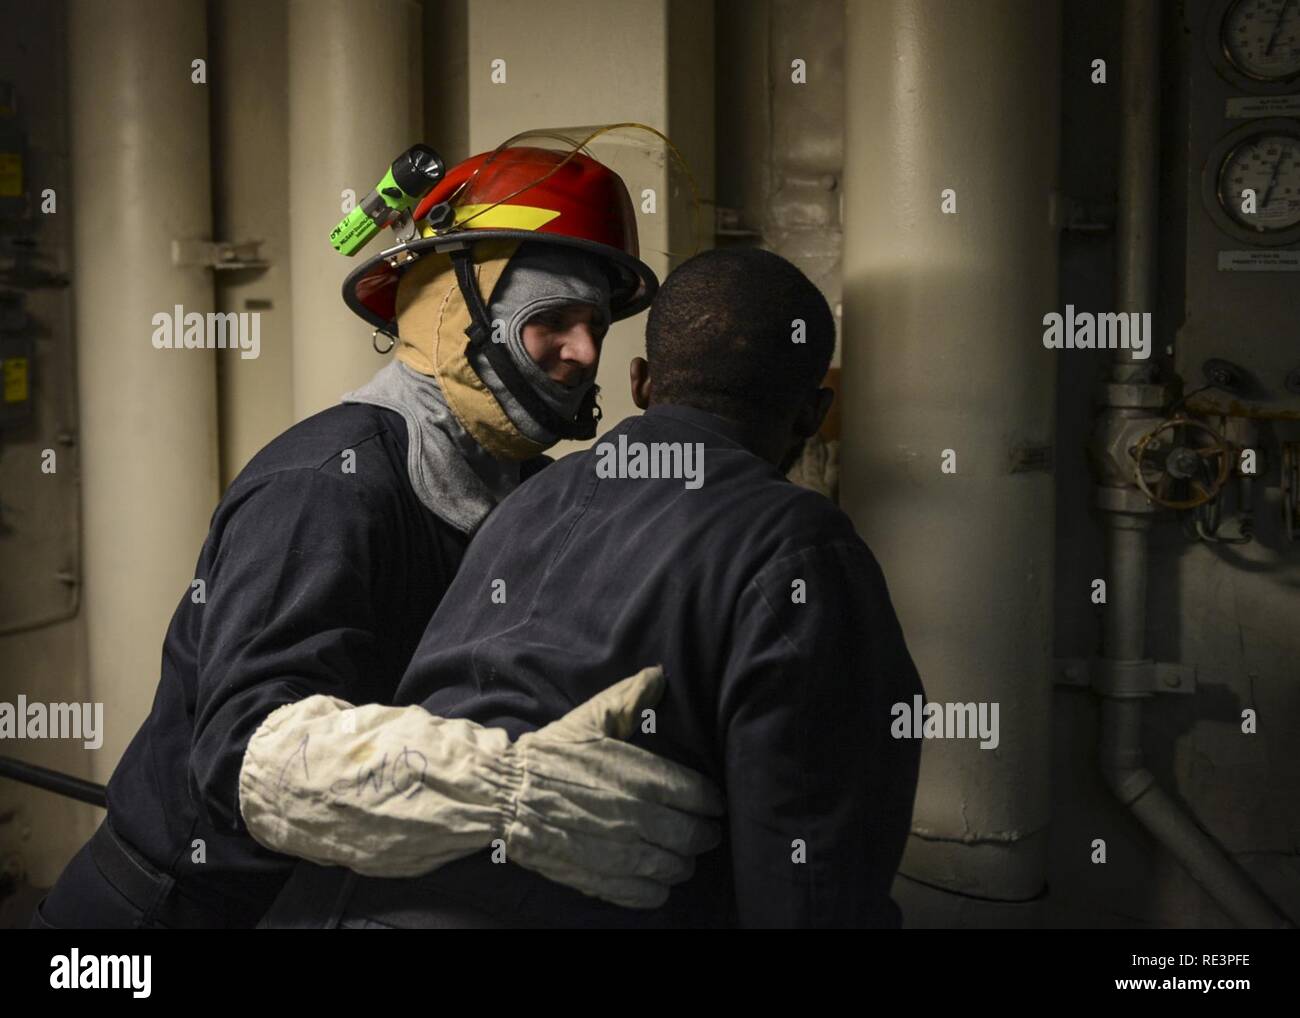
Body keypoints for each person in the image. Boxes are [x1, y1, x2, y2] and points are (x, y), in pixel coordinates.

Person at [32, 136, 723, 929]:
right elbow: (245, 755)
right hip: (161, 915)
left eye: (596, 324)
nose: (586, 351)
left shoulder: (523, 488)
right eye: (552, 320)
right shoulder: (326, 486)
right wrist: (504, 790)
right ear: (458, 312)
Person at [254, 246, 925, 929]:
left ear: (640, 381)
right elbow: (809, 890)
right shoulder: (800, 549)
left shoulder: (524, 500)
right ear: (813, 415)